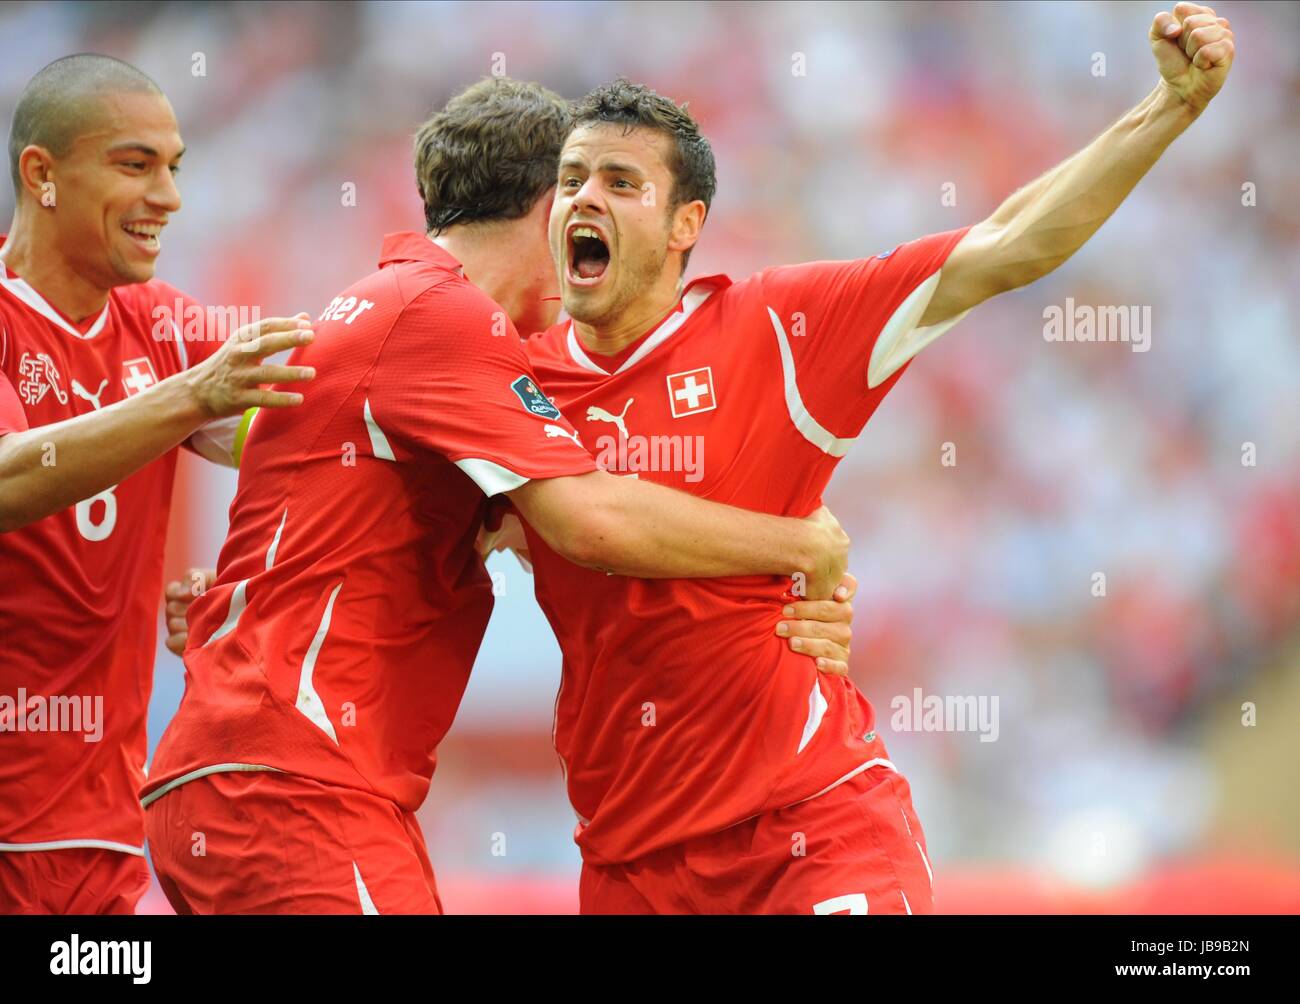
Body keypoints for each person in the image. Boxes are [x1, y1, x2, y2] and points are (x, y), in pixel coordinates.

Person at [516, 3, 1235, 913]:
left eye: (621, 181)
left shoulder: (782, 329)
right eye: (573, 178)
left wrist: (1165, 109)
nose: (584, 196)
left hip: (810, 828)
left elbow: (1010, 246)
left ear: (685, 223)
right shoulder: (512, 387)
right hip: (630, 862)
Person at [141, 78, 852, 915]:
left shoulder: (388, 310)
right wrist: (795, 546)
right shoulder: (444, 318)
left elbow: (274, 460)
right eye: (582, 186)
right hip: (295, 777)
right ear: (553, 202)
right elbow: (588, 521)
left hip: (263, 771)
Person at [0, 54, 316, 915]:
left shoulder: (161, 321)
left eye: (174, 168)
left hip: (101, 826)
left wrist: (243, 587)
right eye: (135, 165)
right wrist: (187, 397)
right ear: (44, 175)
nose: (168, 197)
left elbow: (306, 441)